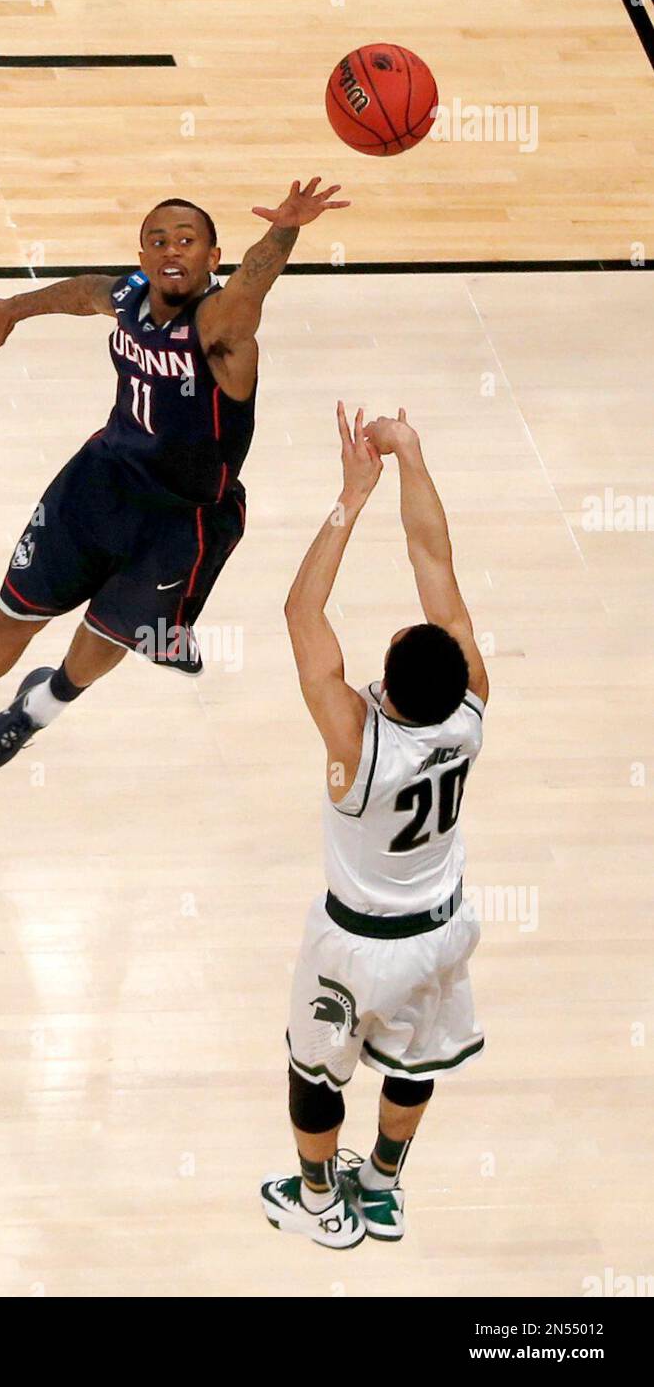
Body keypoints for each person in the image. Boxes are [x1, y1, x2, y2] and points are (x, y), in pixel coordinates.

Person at [0, 180, 349, 803]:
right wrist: (14, 308)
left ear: (213, 257)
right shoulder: (128, 296)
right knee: (16, 612)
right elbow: (82, 291)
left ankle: (38, 708)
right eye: (158, 240)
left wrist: (285, 227)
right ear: (143, 255)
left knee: (109, 632)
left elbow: (253, 284)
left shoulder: (220, 325)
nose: (171, 249)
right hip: (100, 482)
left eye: (187, 240)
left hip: (183, 516)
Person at [261, 405, 489, 1250]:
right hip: (441, 931)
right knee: (413, 1059)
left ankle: (319, 1199)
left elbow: (300, 612)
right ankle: (384, 1186)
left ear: (384, 683)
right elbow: (435, 559)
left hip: (357, 943)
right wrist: (412, 456)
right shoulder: (470, 707)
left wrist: (351, 498)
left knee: (315, 1069)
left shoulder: (356, 739)